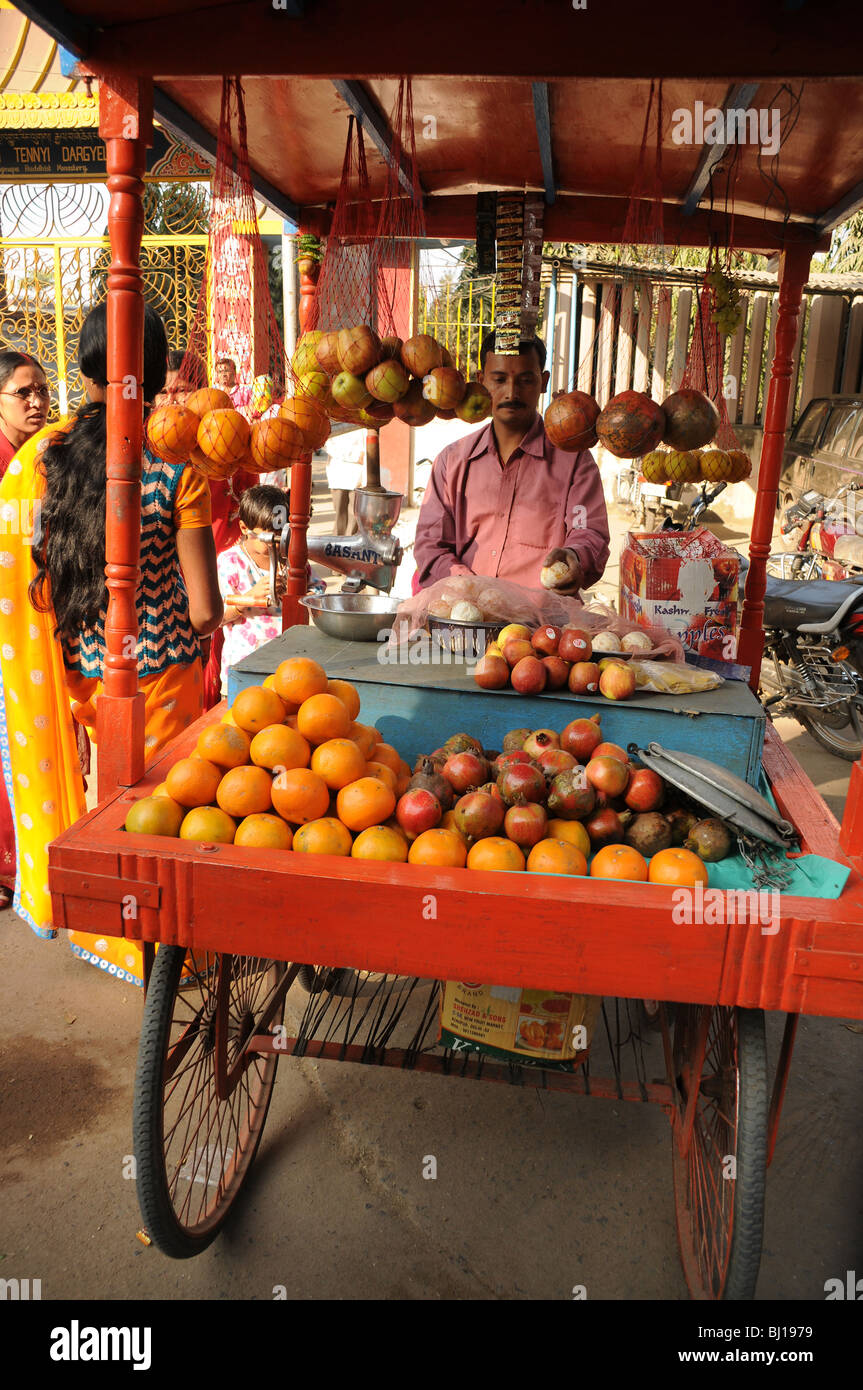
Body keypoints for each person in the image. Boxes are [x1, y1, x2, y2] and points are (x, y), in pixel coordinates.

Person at [0, 303, 222, 980]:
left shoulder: (40, 458)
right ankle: (164, 949)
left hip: (75, 674)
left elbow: (21, 575)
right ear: (157, 370)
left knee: (107, 806)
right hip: (158, 675)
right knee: (162, 815)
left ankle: (111, 931)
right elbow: (207, 609)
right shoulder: (178, 463)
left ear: (85, 363)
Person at [413, 332, 610, 594]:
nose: (511, 392)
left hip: (543, 625)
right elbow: (430, 545)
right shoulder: (452, 461)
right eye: (499, 379)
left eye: (526, 380)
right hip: (466, 615)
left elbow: (589, 533)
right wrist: (471, 589)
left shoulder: (575, 462)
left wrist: (575, 557)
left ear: (544, 382)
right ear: (482, 381)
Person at [0, 351, 51, 908]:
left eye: (40, 390)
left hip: (36, 618)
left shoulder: (42, 458)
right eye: (23, 393)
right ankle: (8, 865)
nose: (36, 401)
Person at [217, 485, 289, 696]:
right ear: (243, 527)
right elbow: (217, 617)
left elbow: (314, 597)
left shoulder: (291, 561)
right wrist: (249, 598)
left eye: (278, 534)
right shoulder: (230, 562)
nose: (272, 542)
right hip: (243, 671)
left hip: (285, 672)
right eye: (264, 536)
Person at [325, 426, 366, 535]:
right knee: (340, 514)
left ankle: (349, 546)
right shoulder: (335, 421)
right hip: (339, 472)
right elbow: (328, 445)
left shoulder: (361, 423)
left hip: (358, 474)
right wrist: (354, 456)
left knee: (355, 515)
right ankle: (337, 546)